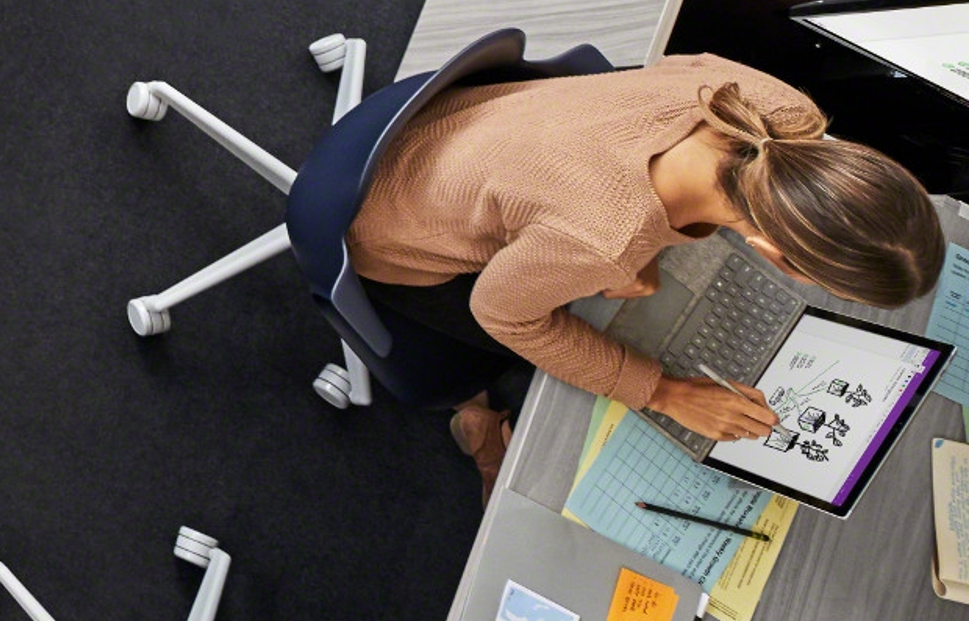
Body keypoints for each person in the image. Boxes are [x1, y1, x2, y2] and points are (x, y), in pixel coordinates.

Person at [348, 56, 944, 494]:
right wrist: (665, 393)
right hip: (380, 229)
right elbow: (501, 313)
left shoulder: (782, 110)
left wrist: (643, 252)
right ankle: (475, 411)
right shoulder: (604, 239)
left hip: (442, 114)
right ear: (766, 247)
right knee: (512, 348)